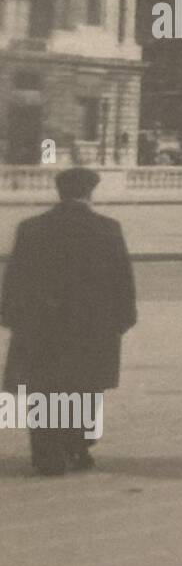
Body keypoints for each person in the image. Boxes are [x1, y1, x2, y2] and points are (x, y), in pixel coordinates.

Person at [1, 168, 136, 476]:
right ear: (90, 193)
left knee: (44, 386)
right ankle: (77, 444)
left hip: (42, 325)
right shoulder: (108, 229)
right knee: (86, 385)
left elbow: (15, 279)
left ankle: (47, 451)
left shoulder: (31, 228)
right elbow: (122, 281)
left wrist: (10, 315)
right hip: (92, 327)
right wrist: (123, 318)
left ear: (59, 192)